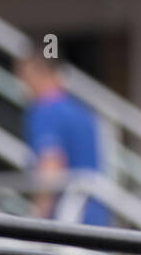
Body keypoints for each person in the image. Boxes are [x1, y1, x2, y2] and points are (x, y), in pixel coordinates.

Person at [14, 53, 110, 227]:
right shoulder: (82, 112)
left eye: (23, 76)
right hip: (94, 215)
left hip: (69, 218)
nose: (21, 84)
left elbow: (50, 167)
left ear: (38, 73)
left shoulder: (45, 111)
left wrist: (38, 218)